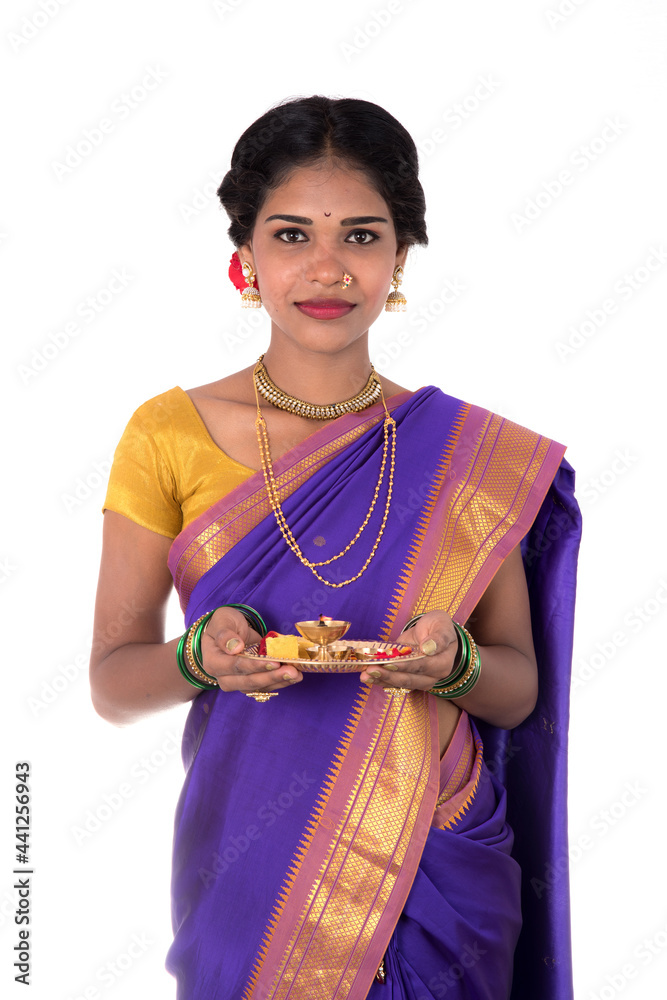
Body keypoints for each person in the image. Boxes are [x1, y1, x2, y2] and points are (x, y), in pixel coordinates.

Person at [90, 95, 581, 1000]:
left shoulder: (468, 455)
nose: (327, 267)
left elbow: (517, 692)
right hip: (251, 863)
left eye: (360, 236)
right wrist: (200, 657)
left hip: (439, 850)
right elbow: (113, 684)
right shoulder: (167, 433)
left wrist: (457, 664)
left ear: (400, 256)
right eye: (289, 236)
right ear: (243, 256)